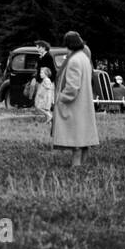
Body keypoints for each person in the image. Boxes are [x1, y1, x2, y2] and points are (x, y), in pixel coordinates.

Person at [52, 30, 99, 167]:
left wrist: (61, 98)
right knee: (84, 138)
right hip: (84, 103)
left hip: (75, 105)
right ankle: (83, 166)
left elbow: (72, 87)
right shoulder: (84, 58)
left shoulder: (73, 61)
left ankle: (76, 167)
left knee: (76, 139)